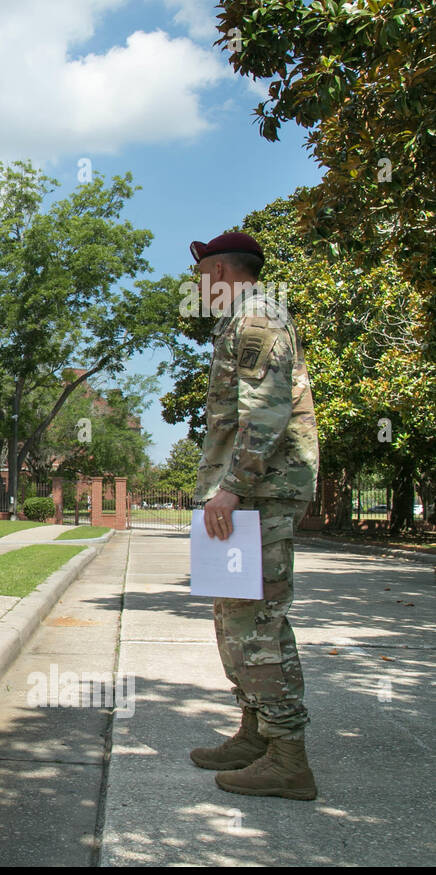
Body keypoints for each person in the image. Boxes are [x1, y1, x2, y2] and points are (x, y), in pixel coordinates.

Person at [187, 231, 321, 801]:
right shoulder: (242, 319)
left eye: (200, 274)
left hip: (257, 494)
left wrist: (233, 488)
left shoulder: (258, 319)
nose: (196, 285)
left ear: (221, 270)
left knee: (256, 623)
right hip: (247, 495)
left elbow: (263, 412)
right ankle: (256, 733)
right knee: (234, 619)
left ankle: (289, 757)